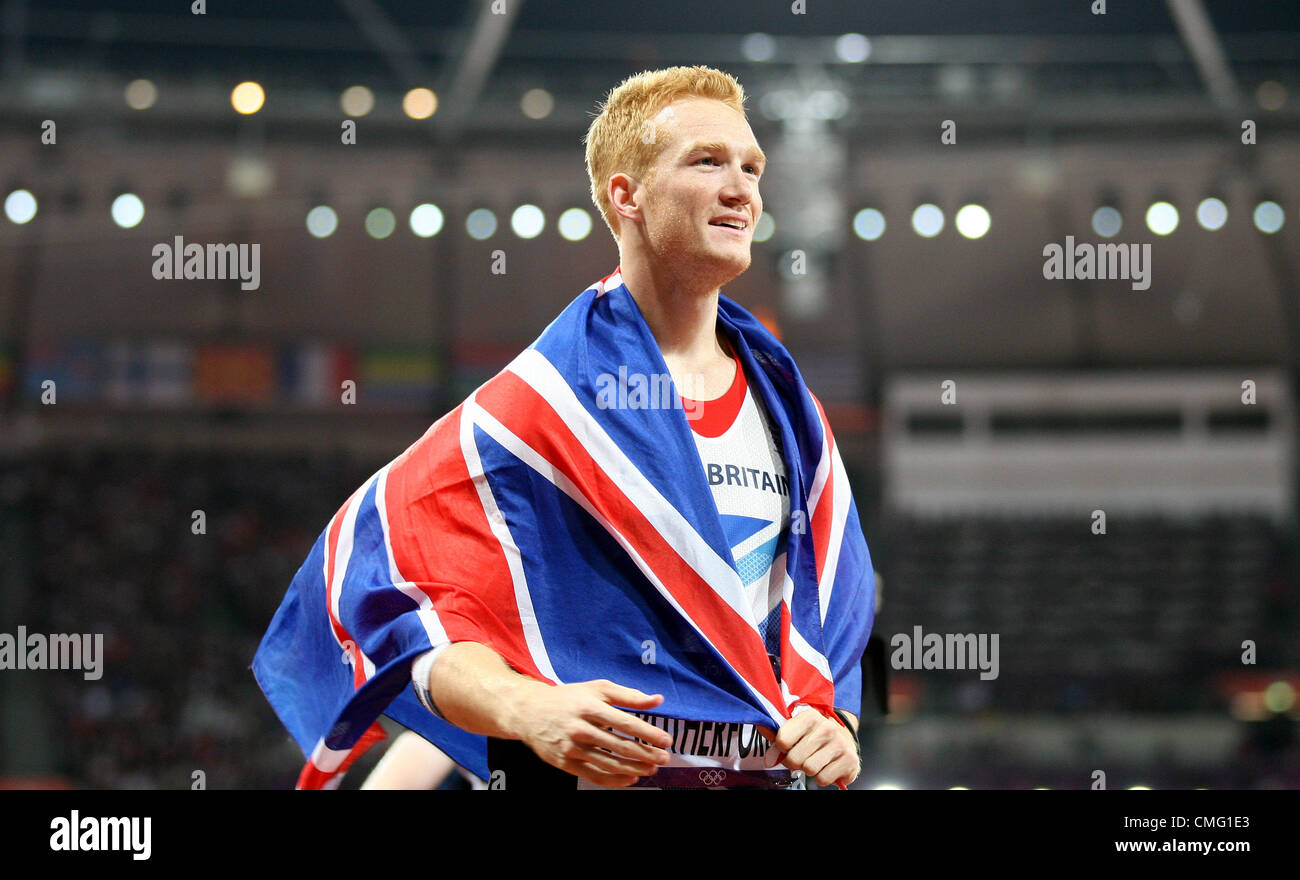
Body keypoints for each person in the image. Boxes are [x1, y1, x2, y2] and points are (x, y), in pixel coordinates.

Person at [254, 65, 875, 791]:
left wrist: (841, 726)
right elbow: (403, 605)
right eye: (707, 162)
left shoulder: (789, 409)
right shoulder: (545, 406)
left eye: (751, 166)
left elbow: (835, 633)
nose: (742, 189)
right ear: (628, 195)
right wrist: (526, 707)